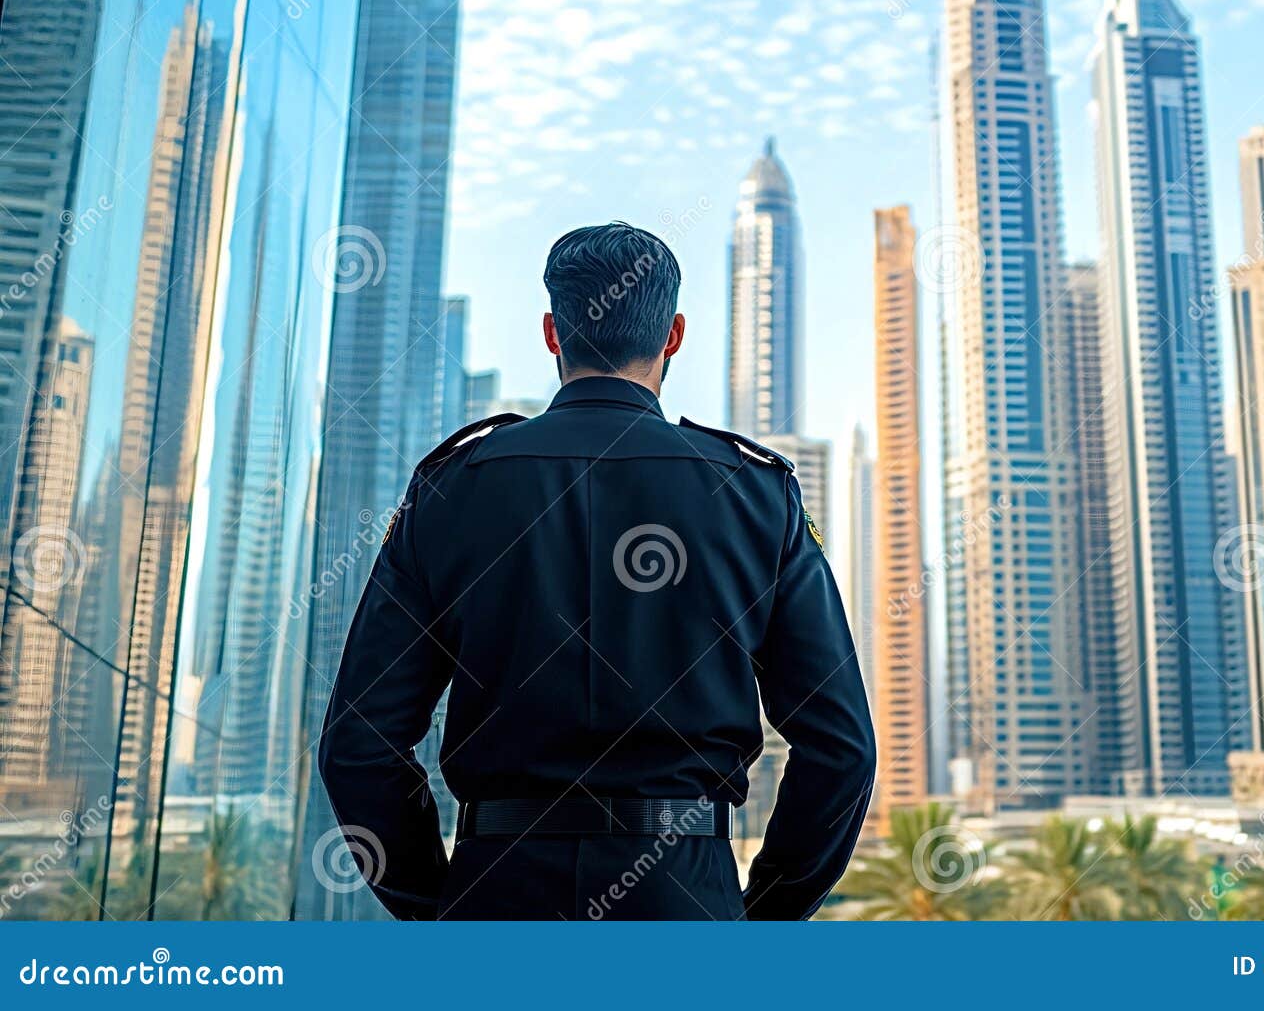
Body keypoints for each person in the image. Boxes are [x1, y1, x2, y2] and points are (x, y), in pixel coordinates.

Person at [318, 221, 875, 920]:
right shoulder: (755, 494)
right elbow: (842, 748)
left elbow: (359, 743)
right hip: (686, 902)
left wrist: (436, 904)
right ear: (673, 336)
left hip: (495, 898)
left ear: (553, 332)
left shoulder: (452, 486)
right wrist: (760, 915)